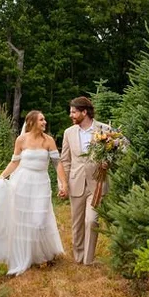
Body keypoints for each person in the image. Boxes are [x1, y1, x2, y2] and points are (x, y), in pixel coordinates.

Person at [0, 110, 64, 275]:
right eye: (41, 119)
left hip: (41, 183)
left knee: (39, 220)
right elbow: (14, 163)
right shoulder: (21, 140)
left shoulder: (49, 141)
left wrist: (63, 184)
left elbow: (57, 164)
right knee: (24, 219)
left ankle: (41, 254)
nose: (45, 122)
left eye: (44, 119)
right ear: (31, 122)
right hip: (22, 183)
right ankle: (27, 256)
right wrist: (2, 177)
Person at [57, 96, 111, 265]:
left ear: (84, 112)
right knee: (77, 223)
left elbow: (121, 148)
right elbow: (64, 160)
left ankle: (88, 260)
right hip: (76, 182)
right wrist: (63, 184)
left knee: (91, 220)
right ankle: (78, 257)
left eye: (73, 112)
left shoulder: (104, 129)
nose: (71, 115)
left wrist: (108, 161)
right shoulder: (69, 133)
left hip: (97, 182)